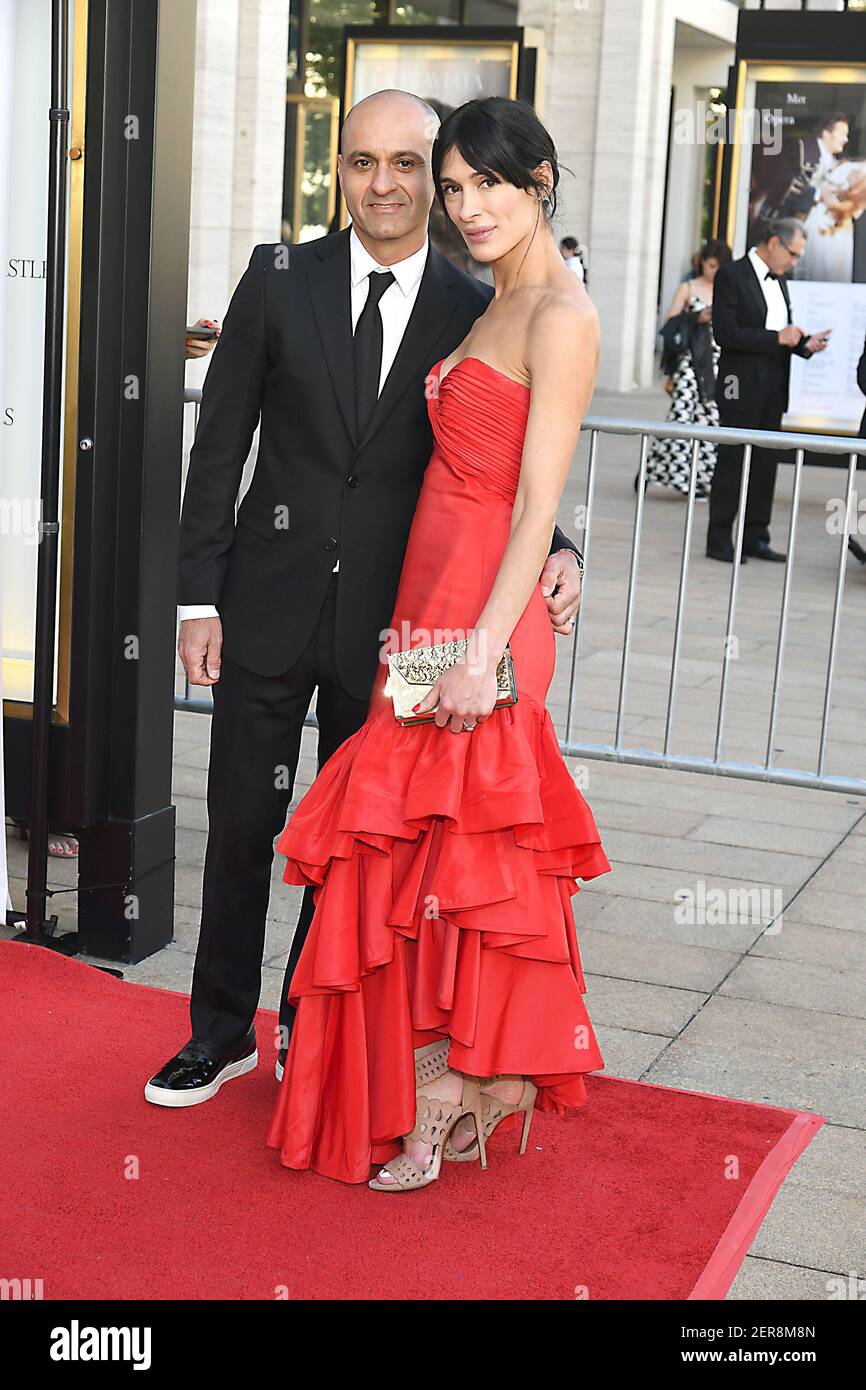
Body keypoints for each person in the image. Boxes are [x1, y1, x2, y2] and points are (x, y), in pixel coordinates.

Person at [145, 89, 585, 1108]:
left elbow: (498, 454)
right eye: (360, 162)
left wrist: (562, 549)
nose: (381, 183)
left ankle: (307, 1018)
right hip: (262, 603)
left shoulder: (467, 300)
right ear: (335, 169)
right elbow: (219, 450)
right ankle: (218, 1033)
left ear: (432, 179)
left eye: (405, 164)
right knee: (240, 825)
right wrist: (194, 600)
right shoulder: (276, 275)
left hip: (392, 627)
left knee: (346, 843)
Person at [266, 94, 610, 1190]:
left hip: (477, 619)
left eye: (485, 186)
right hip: (428, 607)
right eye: (451, 187)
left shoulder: (559, 314)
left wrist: (480, 648)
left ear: (540, 180)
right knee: (412, 849)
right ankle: (446, 1090)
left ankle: (456, 1094)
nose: (464, 207)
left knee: (464, 857)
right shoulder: (490, 297)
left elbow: (528, 502)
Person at [6, 319, 219, 861]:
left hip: (73, 473)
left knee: (65, 649)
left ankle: (42, 803)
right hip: (30, 465)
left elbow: (91, 344)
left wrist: (166, 346)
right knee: (38, 645)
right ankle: (34, 803)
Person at [706, 218, 831, 563]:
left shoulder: (781, 281)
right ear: (774, 242)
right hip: (739, 386)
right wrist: (778, 337)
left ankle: (755, 536)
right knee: (733, 460)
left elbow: (778, 334)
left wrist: (804, 345)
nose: (794, 262)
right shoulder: (732, 274)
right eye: (793, 254)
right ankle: (719, 539)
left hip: (773, 386)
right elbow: (726, 333)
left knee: (765, 462)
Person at [645, 239, 730, 496]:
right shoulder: (688, 287)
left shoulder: (728, 290)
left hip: (718, 365)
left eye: (718, 266)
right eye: (709, 264)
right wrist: (696, 317)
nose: (712, 270)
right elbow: (670, 324)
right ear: (702, 261)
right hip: (691, 363)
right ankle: (676, 477)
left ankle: (700, 481)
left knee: (710, 422)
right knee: (681, 418)